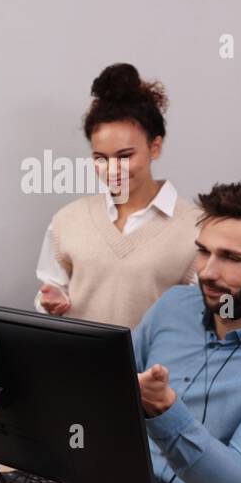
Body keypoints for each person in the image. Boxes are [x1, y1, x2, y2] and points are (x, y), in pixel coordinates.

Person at [133, 182, 241, 483]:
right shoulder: (173, 306)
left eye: (231, 258)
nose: (207, 272)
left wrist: (164, 410)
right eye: (203, 251)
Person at [35, 63, 197, 328]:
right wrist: (51, 301)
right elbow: (51, 292)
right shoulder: (67, 221)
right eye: (101, 158)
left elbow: (200, 319)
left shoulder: (196, 228)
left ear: (154, 147)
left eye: (125, 156)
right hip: (77, 365)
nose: (112, 170)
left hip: (154, 368)